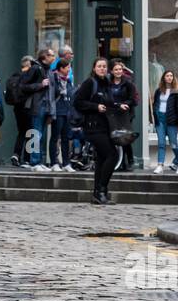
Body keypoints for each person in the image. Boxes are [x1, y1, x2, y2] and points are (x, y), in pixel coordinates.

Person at [74, 58, 128, 204]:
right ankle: (101, 190)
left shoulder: (106, 84)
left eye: (104, 66)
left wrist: (118, 105)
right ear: (94, 68)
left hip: (105, 126)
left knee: (102, 159)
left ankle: (97, 194)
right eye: (99, 66)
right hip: (93, 127)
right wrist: (95, 107)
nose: (102, 69)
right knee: (112, 155)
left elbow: (108, 103)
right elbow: (78, 102)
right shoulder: (90, 83)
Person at [43, 56, 76, 171]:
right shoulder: (53, 78)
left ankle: (66, 163)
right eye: (67, 67)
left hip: (67, 111)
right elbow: (52, 93)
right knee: (55, 137)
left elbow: (71, 94)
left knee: (66, 138)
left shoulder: (68, 80)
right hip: (57, 111)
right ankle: (54, 163)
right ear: (61, 68)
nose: (69, 70)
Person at [26, 47, 56, 169]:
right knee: (35, 134)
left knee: (41, 135)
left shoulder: (49, 70)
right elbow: (24, 86)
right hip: (37, 106)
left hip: (47, 106)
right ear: (45, 57)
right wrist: (40, 85)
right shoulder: (35, 68)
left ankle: (40, 161)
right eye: (51, 55)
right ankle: (34, 161)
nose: (54, 58)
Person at [149, 70, 178, 174]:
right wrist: (155, 114)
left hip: (172, 121)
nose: (169, 77)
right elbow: (155, 104)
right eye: (167, 76)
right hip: (160, 119)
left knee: (174, 144)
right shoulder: (159, 90)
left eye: (171, 76)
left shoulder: (177, 91)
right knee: (161, 143)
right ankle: (160, 165)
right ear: (164, 78)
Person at [8, 54, 37, 167]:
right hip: (28, 107)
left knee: (21, 132)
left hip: (18, 108)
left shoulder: (15, 75)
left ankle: (16, 154)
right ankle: (27, 158)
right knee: (30, 132)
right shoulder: (28, 77)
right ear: (29, 65)